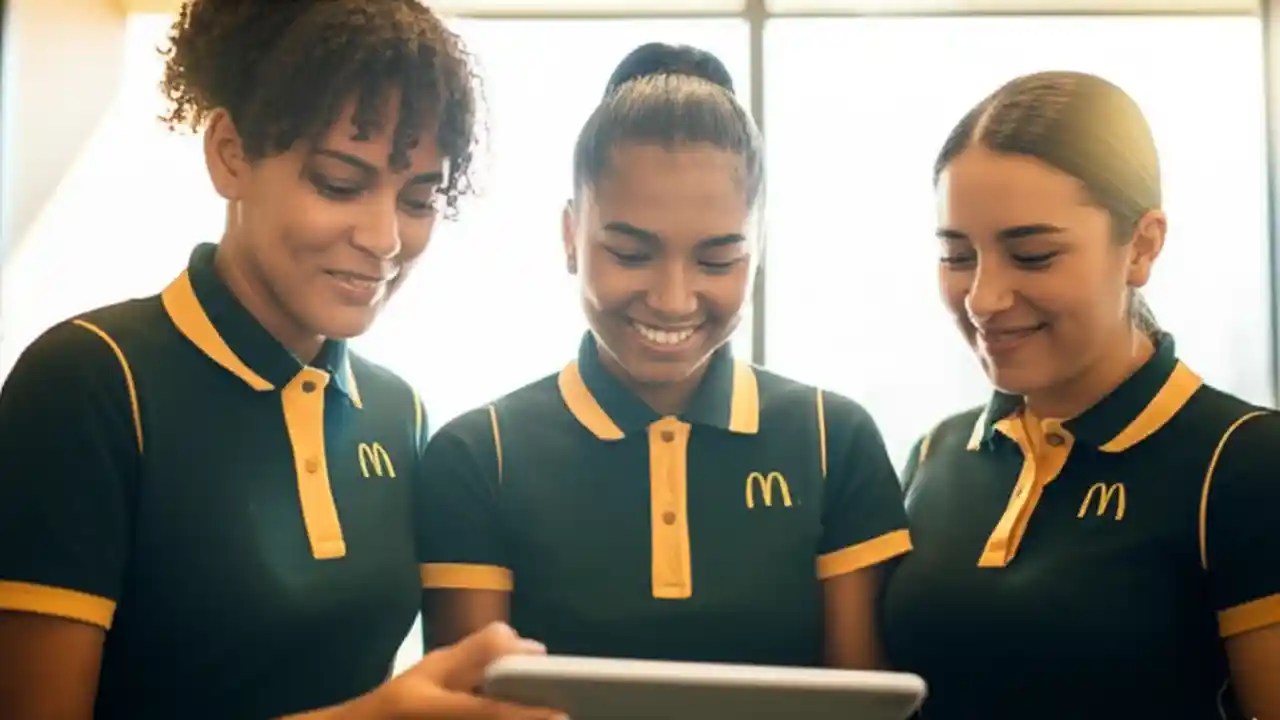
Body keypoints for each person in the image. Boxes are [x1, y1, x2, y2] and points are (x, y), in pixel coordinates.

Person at [0, 2, 561, 719]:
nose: (385, 237)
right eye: (339, 183)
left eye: (418, 198)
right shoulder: (92, 383)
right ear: (231, 154)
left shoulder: (397, 415)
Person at [414, 42, 912, 669]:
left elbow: (861, 700)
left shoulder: (830, 441)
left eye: (716, 260)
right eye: (630, 254)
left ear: (757, 250)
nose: (673, 300)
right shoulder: (480, 456)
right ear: (571, 237)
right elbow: (473, 702)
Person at [881, 70, 1280, 719]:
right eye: (957, 256)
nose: (983, 298)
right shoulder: (936, 454)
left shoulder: (1244, 461)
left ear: (1142, 246)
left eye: (1033, 254)